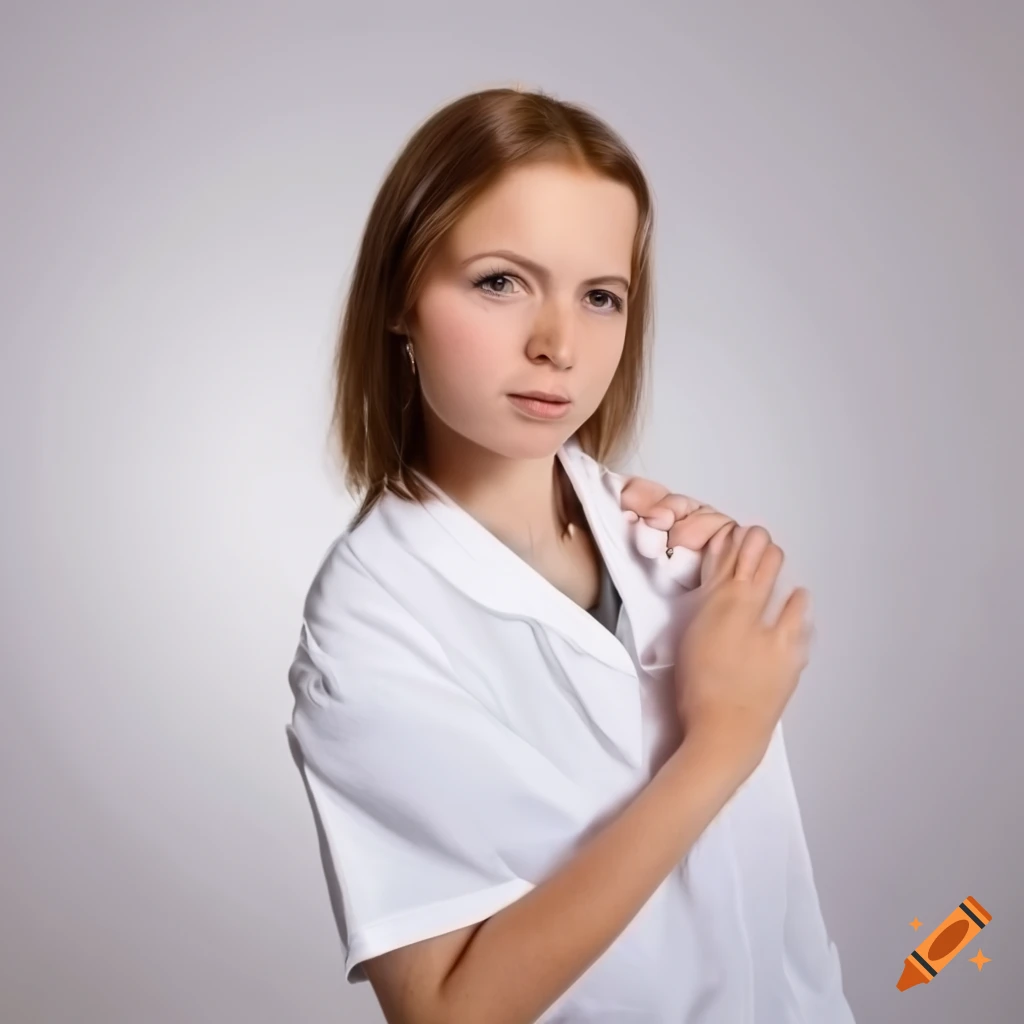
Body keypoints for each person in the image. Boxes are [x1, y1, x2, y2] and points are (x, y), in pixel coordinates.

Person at [286, 86, 856, 1023]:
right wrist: (719, 744)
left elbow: (767, 912)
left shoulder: (669, 549)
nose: (558, 345)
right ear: (400, 296)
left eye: (600, 296)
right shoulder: (371, 625)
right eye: (501, 281)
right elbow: (446, 1013)